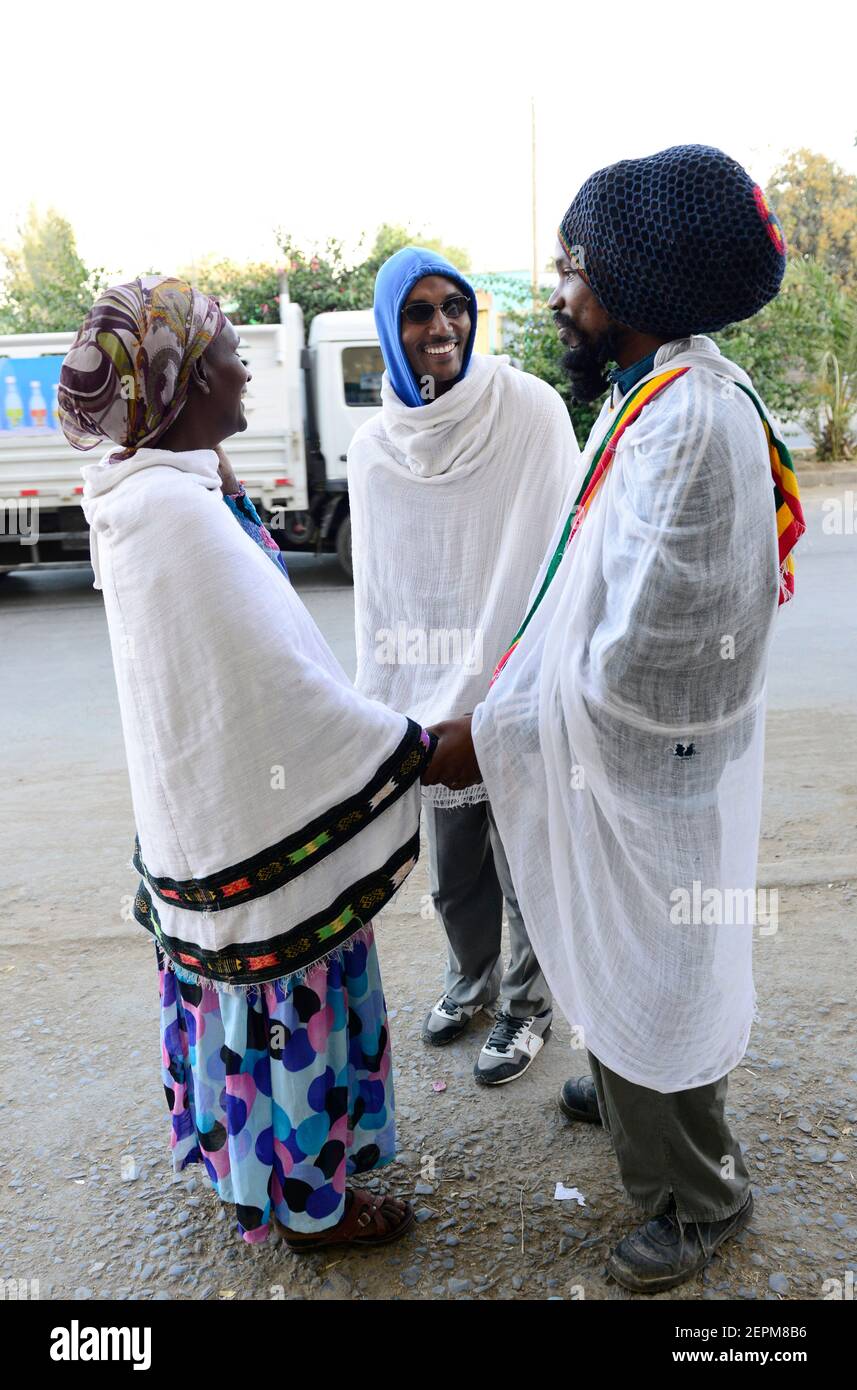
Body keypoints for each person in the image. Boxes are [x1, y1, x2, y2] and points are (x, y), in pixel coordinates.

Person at [424, 146, 805, 1291]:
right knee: (637, 954)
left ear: (627, 284)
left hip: (649, 767)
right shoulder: (659, 391)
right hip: (633, 769)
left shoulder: (689, 418)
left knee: (659, 952)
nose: (556, 292)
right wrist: (518, 710)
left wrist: (505, 731)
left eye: (568, 270)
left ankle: (698, 1196)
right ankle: (640, 1080)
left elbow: (649, 660)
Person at [59, 275, 439, 1251]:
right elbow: (274, 693)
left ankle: (258, 1170)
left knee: (245, 1000)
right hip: (254, 832)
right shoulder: (173, 516)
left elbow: (248, 627)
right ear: (181, 380)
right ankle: (311, 1205)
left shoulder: (145, 492)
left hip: (202, 822)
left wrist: (220, 477)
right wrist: (405, 750)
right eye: (228, 352)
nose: (245, 371)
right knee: (290, 996)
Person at [348, 247, 579, 1085]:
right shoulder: (375, 447)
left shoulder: (528, 409)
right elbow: (383, 593)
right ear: (389, 328)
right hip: (429, 703)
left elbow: (558, 557)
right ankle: (470, 981)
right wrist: (389, 702)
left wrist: (529, 682)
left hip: (517, 690)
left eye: (454, 307)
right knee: (454, 875)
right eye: (419, 312)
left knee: (528, 867)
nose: (441, 327)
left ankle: (527, 1008)